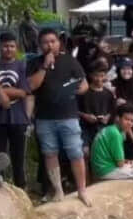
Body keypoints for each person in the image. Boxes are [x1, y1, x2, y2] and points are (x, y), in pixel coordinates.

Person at [27, 28, 92, 205]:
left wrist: (74, 90)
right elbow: (31, 86)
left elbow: (85, 84)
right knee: (50, 153)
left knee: (76, 153)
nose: (50, 45)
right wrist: (45, 66)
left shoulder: (70, 60)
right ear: (40, 45)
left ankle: (82, 190)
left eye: (53, 41)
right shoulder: (35, 63)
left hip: (68, 116)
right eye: (45, 42)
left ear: (59, 42)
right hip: (44, 117)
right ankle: (58, 190)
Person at [0, 32, 32, 188]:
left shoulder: (22, 65)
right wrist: (11, 90)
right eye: (5, 46)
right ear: (0, 47)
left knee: (18, 157)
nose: (8, 49)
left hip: (18, 118)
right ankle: (0, 188)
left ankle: (20, 188)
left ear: (16, 47)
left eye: (11, 46)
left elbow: (23, 92)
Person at [90, 104, 133, 184]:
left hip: (101, 168)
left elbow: (118, 160)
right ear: (118, 118)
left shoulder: (111, 129)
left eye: (132, 121)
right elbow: (120, 164)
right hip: (106, 170)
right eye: (126, 119)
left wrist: (128, 161)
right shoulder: (115, 134)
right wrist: (130, 163)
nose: (129, 123)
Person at [77, 60, 115, 159]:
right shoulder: (84, 92)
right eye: (96, 75)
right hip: (85, 128)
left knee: (101, 155)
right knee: (85, 153)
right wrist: (85, 116)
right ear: (90, 75)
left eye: (102, 76)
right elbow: (75, 110)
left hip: (102, 129)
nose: (99, 79)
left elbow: (112, 110)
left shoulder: (108, 94)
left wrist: (107, 117)